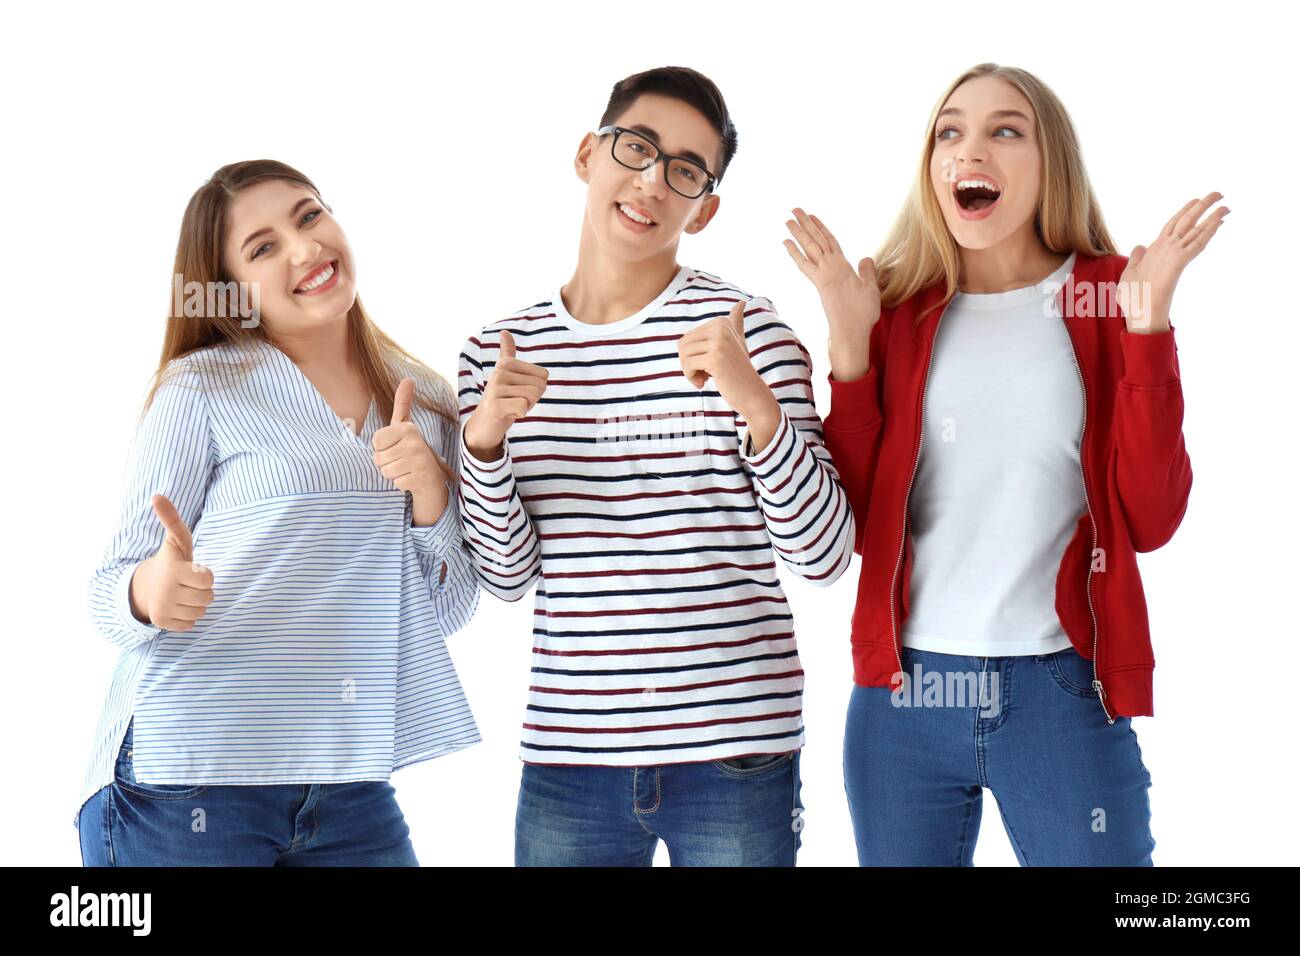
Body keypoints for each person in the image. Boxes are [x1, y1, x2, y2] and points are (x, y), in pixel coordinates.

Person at [787, 63, 1224, 866]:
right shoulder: (893, 309)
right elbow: (848, 522)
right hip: (902, 700)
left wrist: (1148, 329)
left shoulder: (1105, 297)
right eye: (948, 132)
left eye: (1004, 130)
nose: (968, 150)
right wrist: (848, 352)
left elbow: (1152, 518)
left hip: (1058, 694)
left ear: (1048, 162)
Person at [455, 67, 855, 866]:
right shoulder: (493, 356)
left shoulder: (750, 334)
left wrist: (757, 406)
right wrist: (487, 441)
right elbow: (504, 578)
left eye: (684, 170)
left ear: (704, 208)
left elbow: (824, 555)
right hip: (570, 754)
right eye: (636, 148)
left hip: (735, 751)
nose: (651, 181)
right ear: (587, 155)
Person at [75, 160, 482, 866]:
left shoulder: (425, 398)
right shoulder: (199, 388)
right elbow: (107, 592)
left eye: (309, 215)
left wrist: (430, 500)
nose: (305, 248)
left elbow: (445, 614)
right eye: (263, 248)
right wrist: (150, 591)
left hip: (346, 781)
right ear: (229, 293)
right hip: (187, 780)